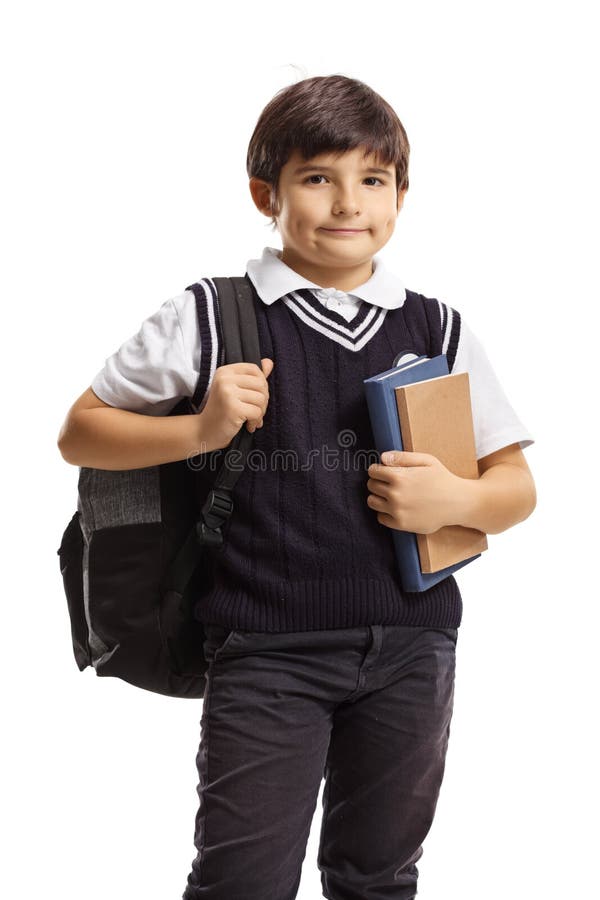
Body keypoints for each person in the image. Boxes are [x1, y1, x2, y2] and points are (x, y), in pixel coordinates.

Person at [57, 74, 536, 900]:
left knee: (378, 876)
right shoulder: (213, 313)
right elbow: (81, 431)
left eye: (373, 180)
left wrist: (455, 502)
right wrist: (199, 431)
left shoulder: (438, 326)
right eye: (318, 178)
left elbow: (516, 485)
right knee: (242, 881)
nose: (348, 203)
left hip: (414, 648)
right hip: (266, 650)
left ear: (400, 194)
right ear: (265, 194)